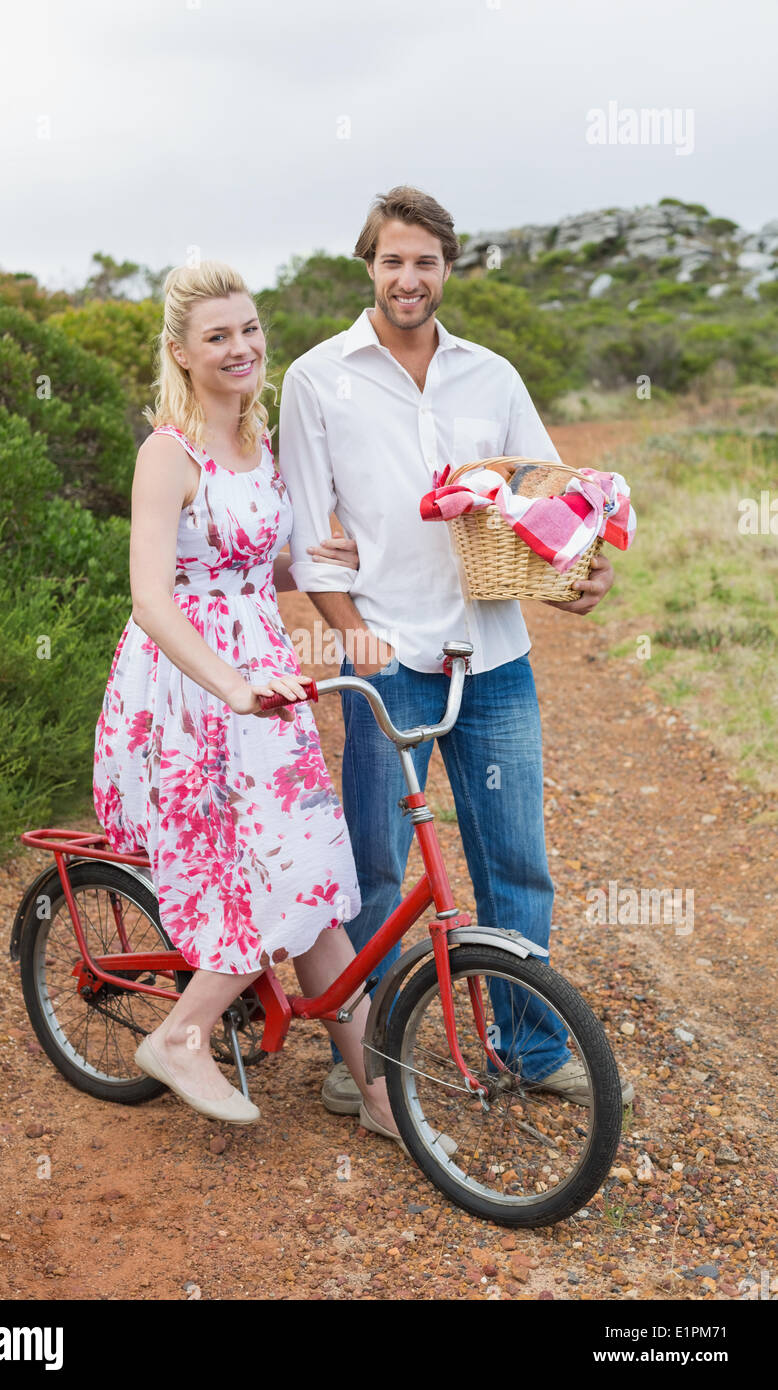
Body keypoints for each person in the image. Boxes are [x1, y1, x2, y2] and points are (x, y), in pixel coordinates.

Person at [277, 185, 634, 1116]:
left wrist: (587, 574)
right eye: (393, 260)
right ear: (370, 265)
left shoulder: (493, 376)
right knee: (377, 866)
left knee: (516, 860)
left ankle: (530, 1044)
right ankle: (364, 1056)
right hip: (386, 657)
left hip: (496, 657)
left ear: (446, 269)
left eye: (425, 262)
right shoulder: (318, 379)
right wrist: (349, 628)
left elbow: (560, 504)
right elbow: (312, 537)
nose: (409, 278)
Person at [91, 260, 407, 1143]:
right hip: (195, 692)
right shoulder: (168, 451)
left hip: (266, 679)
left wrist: (356, 569)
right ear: (182, 354)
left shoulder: (257, 443)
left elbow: (247, 566)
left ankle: (382, 1100)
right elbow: (152, 596)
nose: (241, 348)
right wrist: (229, 687)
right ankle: (180, 1036)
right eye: (218, 337)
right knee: (274, 872)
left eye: (249, 330)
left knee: (312, 872)